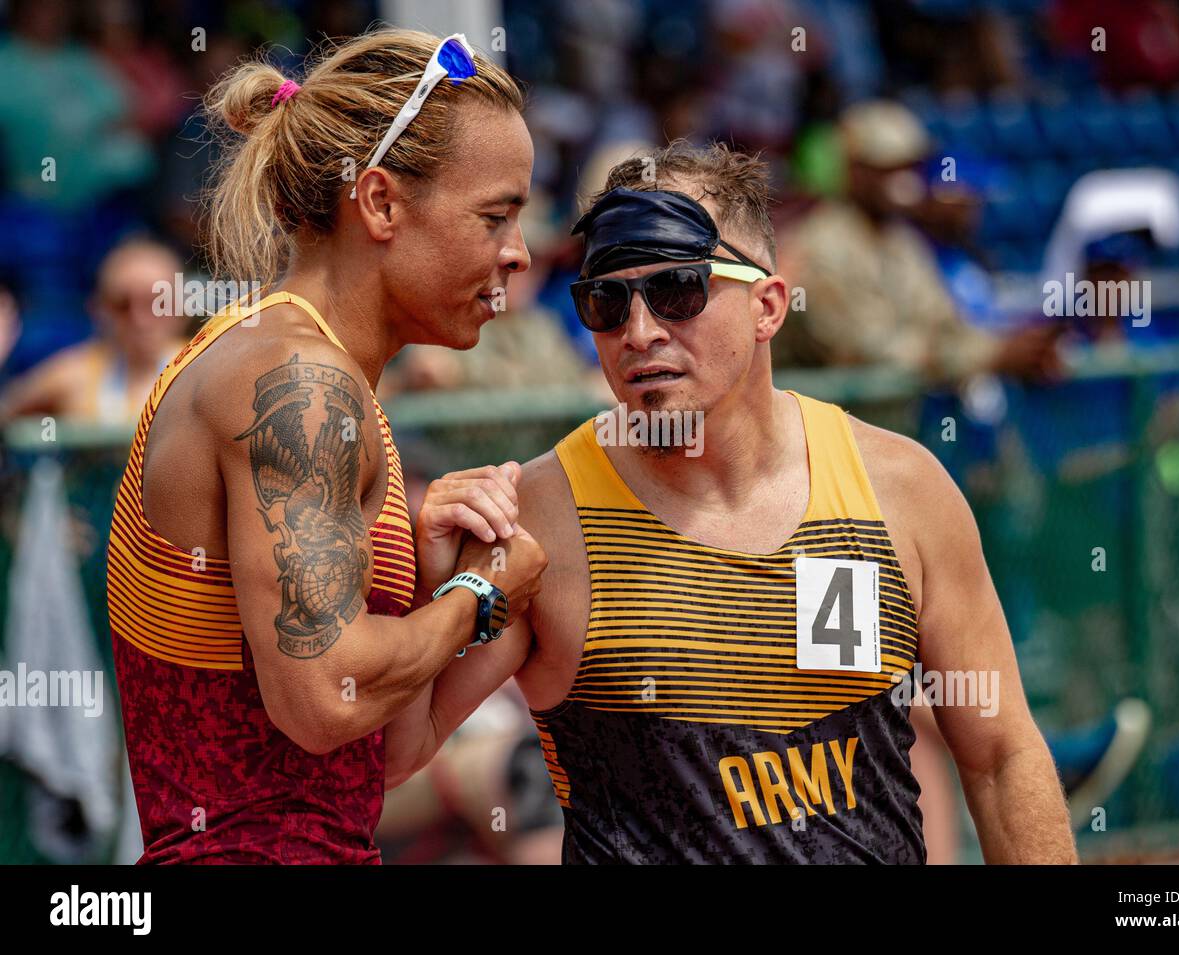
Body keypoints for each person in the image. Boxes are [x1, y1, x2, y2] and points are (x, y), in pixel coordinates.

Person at [384, 141, 1078, 863]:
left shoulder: (898, 488)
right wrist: (432, 590)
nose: (640, 331)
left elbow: (1000, 754)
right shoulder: (539, 518)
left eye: (679, 288)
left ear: (769, 306)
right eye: (608, 301)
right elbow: (400, 752)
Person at [106, 29, 546, 864]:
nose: (518, 252)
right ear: (379, 203)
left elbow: (382, 759)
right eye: (496, 215)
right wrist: (479, 596)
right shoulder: (300, 381)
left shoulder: (320, 380)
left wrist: (437, 578)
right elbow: (323, 699)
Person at [780, 100, 1061, 382]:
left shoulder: (904, 242)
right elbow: (863, 349)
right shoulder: (820, 244)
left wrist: (1007, 346)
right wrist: (986, 357)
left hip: (897, 419)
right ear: (855, 170)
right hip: (828, 419)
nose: (903, 179)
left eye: (911, 166)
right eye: (888, 167)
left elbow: (944, 323)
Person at [0, 237, 188, 425]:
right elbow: (7, 411)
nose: (140, 320)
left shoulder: (199, 370)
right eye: (122, 305)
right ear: (98, 309)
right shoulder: (72, 377)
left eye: (157, 303)